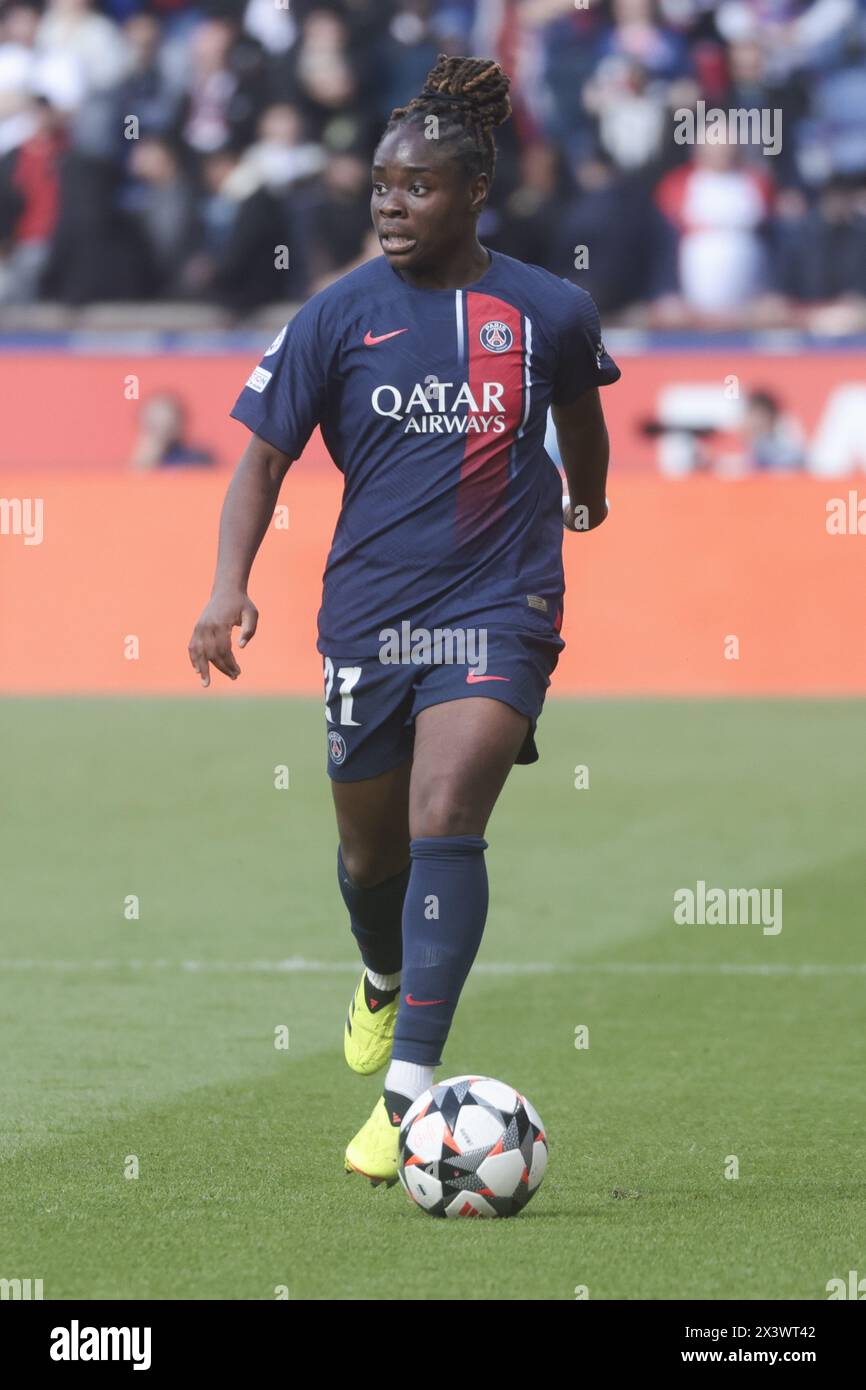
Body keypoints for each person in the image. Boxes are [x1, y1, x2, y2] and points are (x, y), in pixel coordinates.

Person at [188, 54, 620, 1188]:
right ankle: (381, 979)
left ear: (473, 191)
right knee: (368, 852)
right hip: (369, 617)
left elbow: (581, 414)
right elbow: (261, 462)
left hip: (500, 603)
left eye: (415, 186)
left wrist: (588, 494)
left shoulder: (546, 309)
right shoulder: (335, 317)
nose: (389, 202)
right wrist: (226, 586)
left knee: (445, 811)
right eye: (380, 183)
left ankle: (407, 1092)